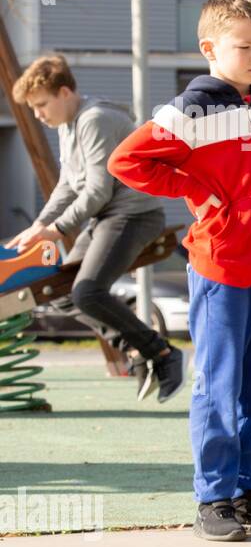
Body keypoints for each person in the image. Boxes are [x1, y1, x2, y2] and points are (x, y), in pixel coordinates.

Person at [108, 0, 251, 542]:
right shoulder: (189, 111)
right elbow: (127, 161)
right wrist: (200, 191)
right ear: (209, 48)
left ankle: (249, 494)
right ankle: (214, 498)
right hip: (221, 265)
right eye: (242, 47)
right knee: (219, 385)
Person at [5, 55, 183, 401]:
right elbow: (68, 186)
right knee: (57, 291)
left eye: (41, 105)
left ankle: (161, 353)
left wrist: (57, 229)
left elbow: (98, 189)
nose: (39, 115)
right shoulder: (70, 126)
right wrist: (40, 225)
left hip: (134, 214)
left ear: (65, 92)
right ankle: (138, 349)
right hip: (108, 217)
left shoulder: (95, 119)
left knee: (86, 292)